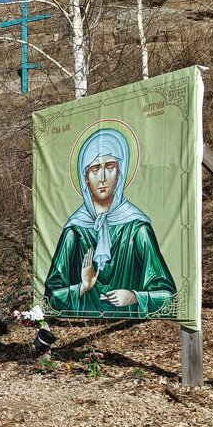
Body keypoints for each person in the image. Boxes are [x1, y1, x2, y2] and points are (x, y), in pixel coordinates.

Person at [43, 126, 176, 318]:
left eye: (110, 167)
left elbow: (168, 296)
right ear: (85, 178)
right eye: (95, 169)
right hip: (83, 325)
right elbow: (51, 298)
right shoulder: (75, 232)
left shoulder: (137, 229)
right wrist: (83, 287)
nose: (103, 177)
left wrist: (135, 297)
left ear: (120, 173)